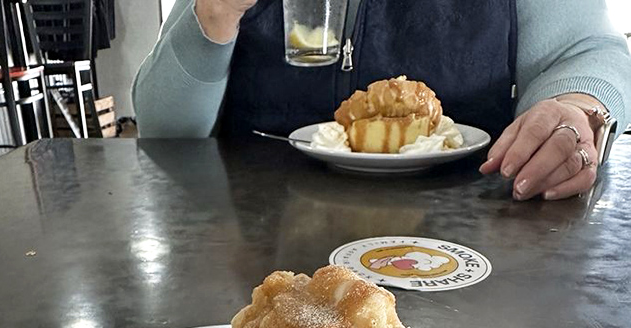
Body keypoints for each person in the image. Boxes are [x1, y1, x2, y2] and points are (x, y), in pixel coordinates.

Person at [133, 0, 631, 201]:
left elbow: (589, 52)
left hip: (464, 246)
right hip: (254, 247)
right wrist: (214, 14)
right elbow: (162, 130)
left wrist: (575, 105)